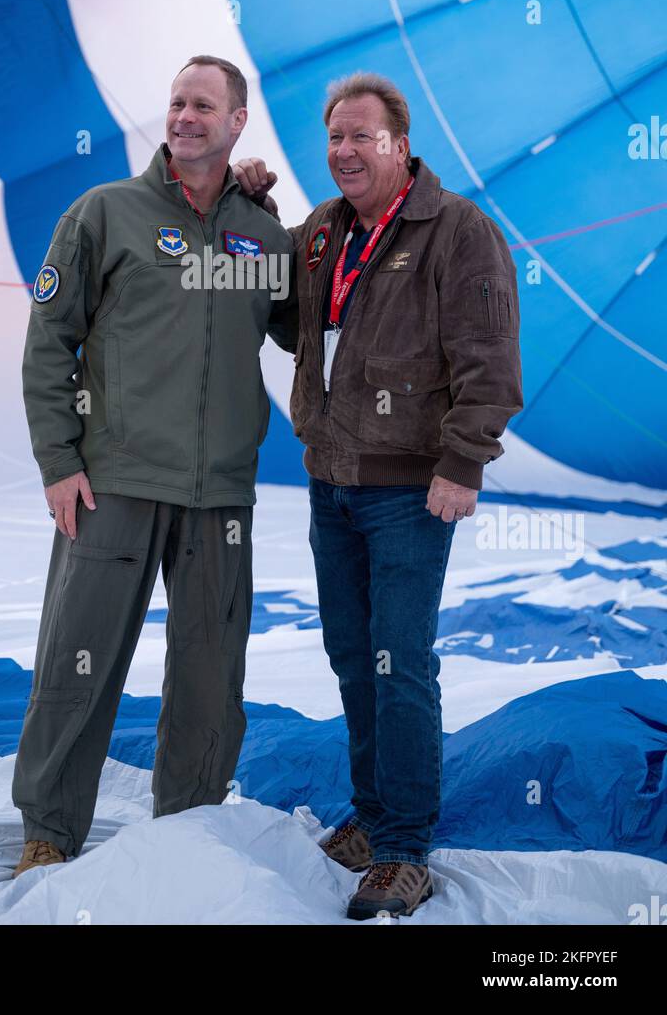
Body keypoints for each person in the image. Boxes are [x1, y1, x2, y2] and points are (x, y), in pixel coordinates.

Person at [233, 70, 523, 919]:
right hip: (334, 484)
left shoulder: (456, 230)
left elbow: (491, 361)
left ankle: (404, 849)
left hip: (410, 492)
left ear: (400, 143)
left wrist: (463, 463)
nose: (344, 152)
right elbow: (280, 308)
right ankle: (370, 815)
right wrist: (255, 208)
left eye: (361, 136)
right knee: (354, 657)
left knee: (401, 665)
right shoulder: (323, 230)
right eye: (333, 138)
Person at [11, 54, 297, 877]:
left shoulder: (260, 234)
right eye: (177, 102)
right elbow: (48, 342)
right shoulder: (105, 212)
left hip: (221, 494)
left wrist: (275, 214)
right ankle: (49, 830)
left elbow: (300, 325)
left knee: (212, 673)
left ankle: (192, 825)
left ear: (237, 122)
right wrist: (59, 460)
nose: (185, 116)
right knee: (80, 658)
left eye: (204, 105)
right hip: (115, 482)